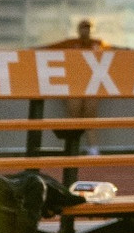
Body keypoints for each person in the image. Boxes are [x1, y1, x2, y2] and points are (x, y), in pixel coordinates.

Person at [42, 19, 110, 156]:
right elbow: (49, 48)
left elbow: (114, 52)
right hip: (74, 84)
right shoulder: (70, 44)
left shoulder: (98, 44)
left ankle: (93, 148)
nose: (86, 31)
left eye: (88, 28)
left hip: (92, 83)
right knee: (73, 114)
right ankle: (72, 147)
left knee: (90, 116)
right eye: (83, 28)